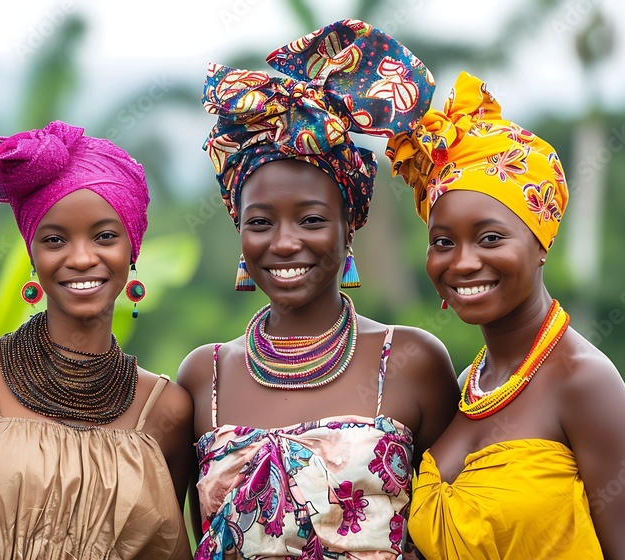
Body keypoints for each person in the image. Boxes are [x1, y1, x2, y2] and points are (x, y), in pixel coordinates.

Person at [178, 19, 460, 559]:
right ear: (238, 229)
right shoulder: (202, 377)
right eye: (260, 223)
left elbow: (453, 534)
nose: (284, 243)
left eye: (310, 220)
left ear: (348, 225)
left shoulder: (412, 361)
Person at [386, 71, 625, 558]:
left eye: (490, 238)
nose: (464, 261)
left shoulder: (584, 382)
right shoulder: (462, 387)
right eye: (443, 242)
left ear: (541, 243)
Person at [0, 120, 194, 559]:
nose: (82, 258)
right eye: (55, 239)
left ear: (133, 247)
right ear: (33, 252)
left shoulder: (167, 410)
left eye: (105, 236)